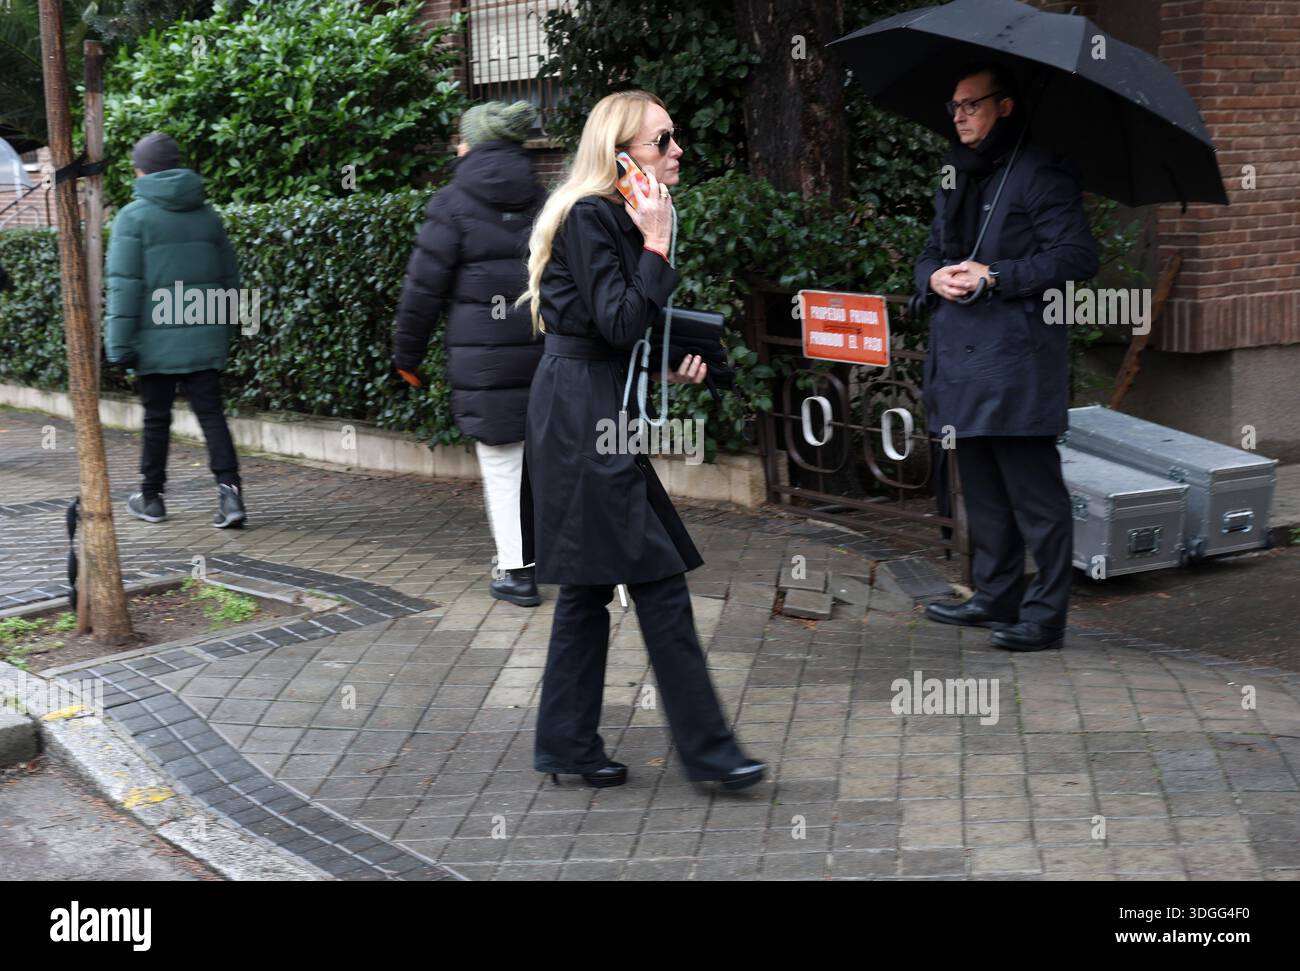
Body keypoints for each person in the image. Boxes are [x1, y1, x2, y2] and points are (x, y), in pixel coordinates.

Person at [516, 90, 765, 790]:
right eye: (662, 141)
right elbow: (619, 321)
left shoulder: (614, 217)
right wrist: (656, 241)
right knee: (656, 581)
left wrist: (668, 363)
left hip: (589, 406)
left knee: (592, 584)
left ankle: (566, 743)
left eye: (673, 138)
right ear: (621, 154)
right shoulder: (594, 215)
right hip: (579, 416)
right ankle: (712, 756)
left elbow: (614, 330)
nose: (677, 150)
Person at [915, 64, 1099, 652]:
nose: (961, 115)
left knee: (1036, 498)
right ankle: (995, 594)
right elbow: (928, 254)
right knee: (985, 490)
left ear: (1006, 107)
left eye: (972, 105)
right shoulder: (956, 175)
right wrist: (935, 277)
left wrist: (997, 275)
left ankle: (1045, 617)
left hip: (1017, 361)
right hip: (963, 360)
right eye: (955, 107)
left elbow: (1075, 257)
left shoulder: (1040, 170)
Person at [393, 102, 546, 607]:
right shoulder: (544, 199)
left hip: (485, 361)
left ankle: (517, 573)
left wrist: (406, 356)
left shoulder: (452, 202)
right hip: (542, 351)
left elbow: (422, 291)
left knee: (503, 465)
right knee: (539, 461)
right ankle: (550, 556)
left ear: (470, 144)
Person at [105, 132, 247, 528]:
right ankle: (231, 496)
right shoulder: (208, 215)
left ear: (140, 170)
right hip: (204, 336)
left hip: (154, 345)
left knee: (156, 419)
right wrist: (227, 331)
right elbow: (230, 279)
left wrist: (118, 345)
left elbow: (124, 286)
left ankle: (151, 499)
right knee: (212, 416)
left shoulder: (132, 217)